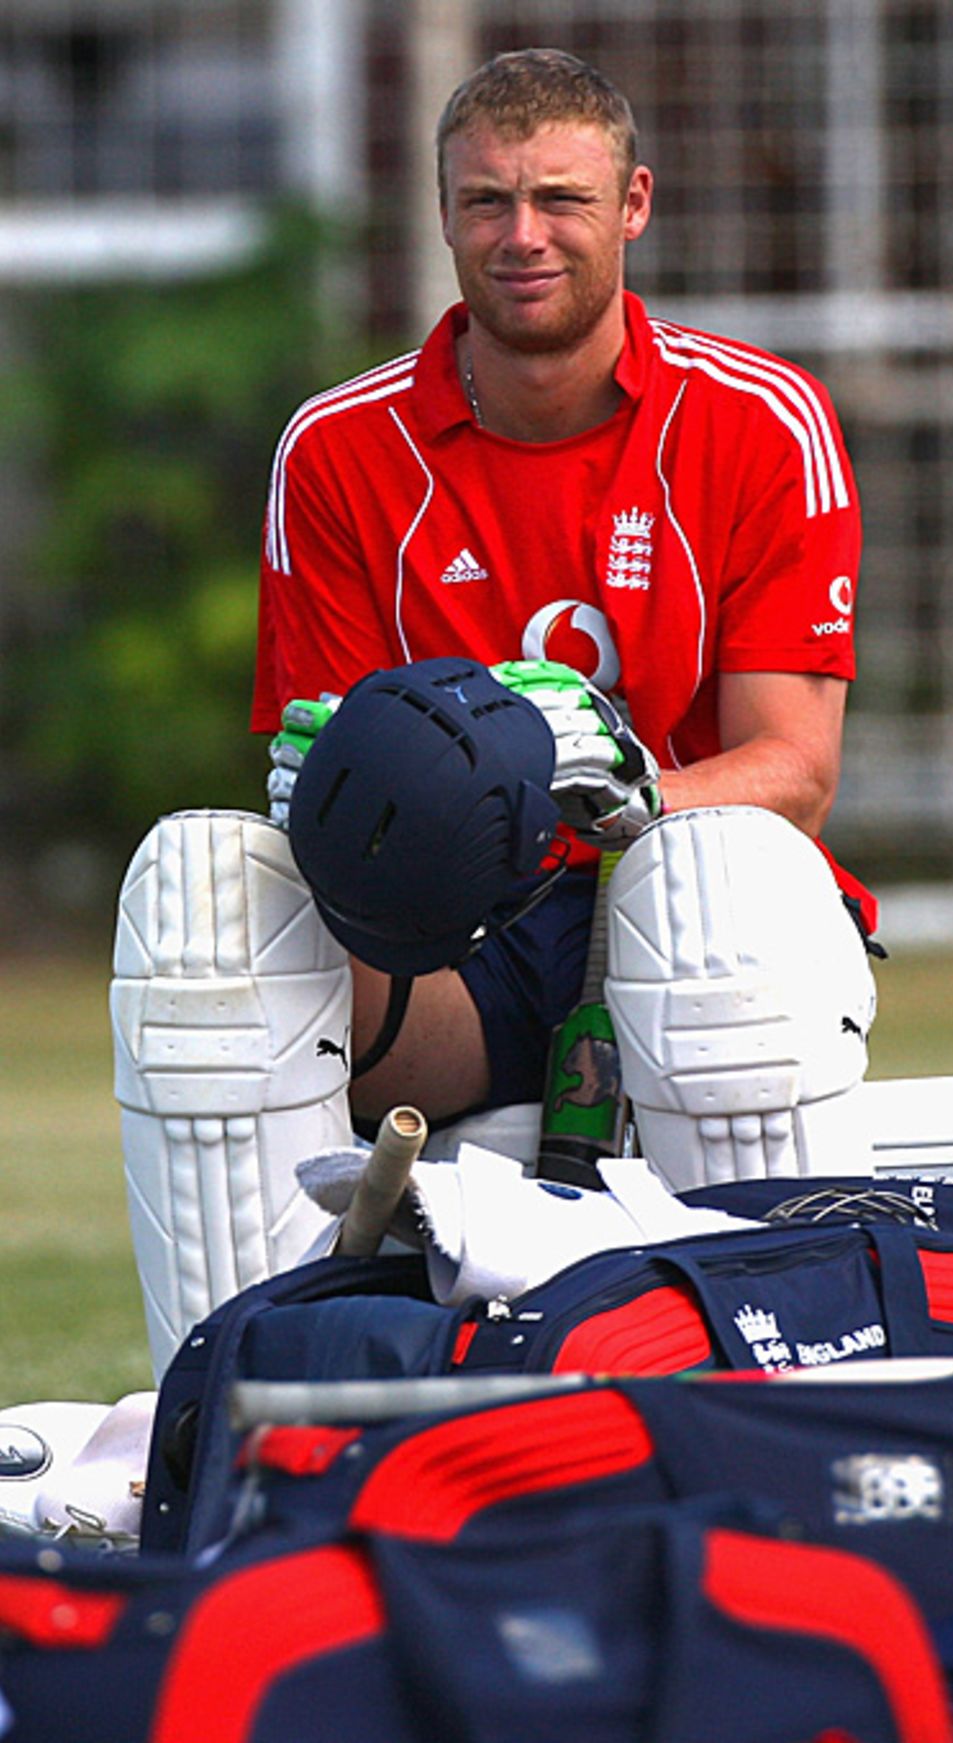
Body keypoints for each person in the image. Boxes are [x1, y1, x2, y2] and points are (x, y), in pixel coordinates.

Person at [254, 46, 877, 1139]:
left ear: (632, 204)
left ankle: (747, 1246)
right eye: (486, 202)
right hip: (452, 930)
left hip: (703, 913)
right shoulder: (337, 448)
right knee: (209, 921)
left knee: (698, 892)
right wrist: (339, 802)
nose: (523, 235)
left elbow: (796, 773)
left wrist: (627, 796)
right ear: (443, 215)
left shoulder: (762, 420)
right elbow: (334, 784)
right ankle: (298, 1262)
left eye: (561, 199)